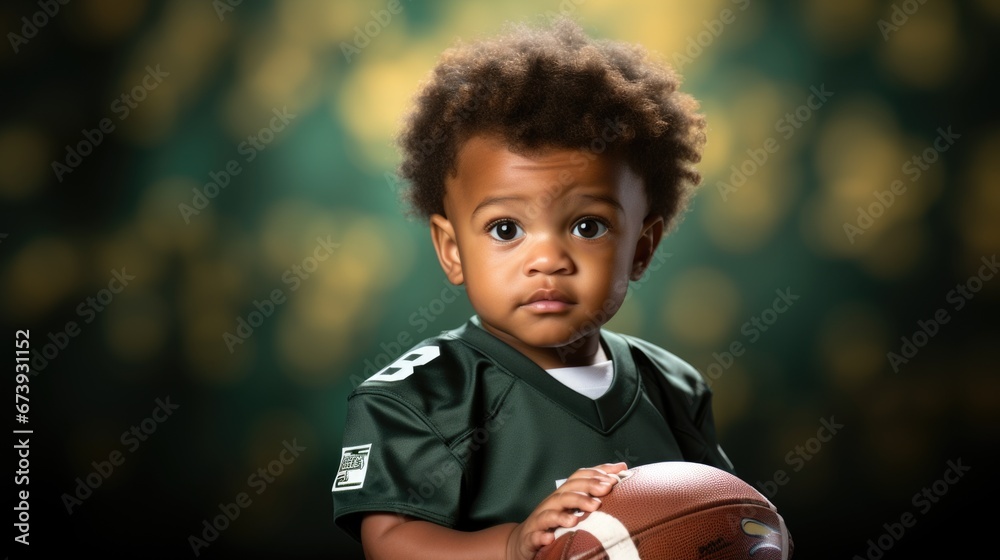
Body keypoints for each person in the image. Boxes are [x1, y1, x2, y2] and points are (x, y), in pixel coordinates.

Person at [332, 16, 734, 560]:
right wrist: (514, 544)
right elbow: (392, 542)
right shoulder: (419, 397)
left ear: (642, 248)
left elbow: (714, 515)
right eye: (506, 230)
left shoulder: (673, 386)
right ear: (452, 250)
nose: (547, 260)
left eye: (587, 226)